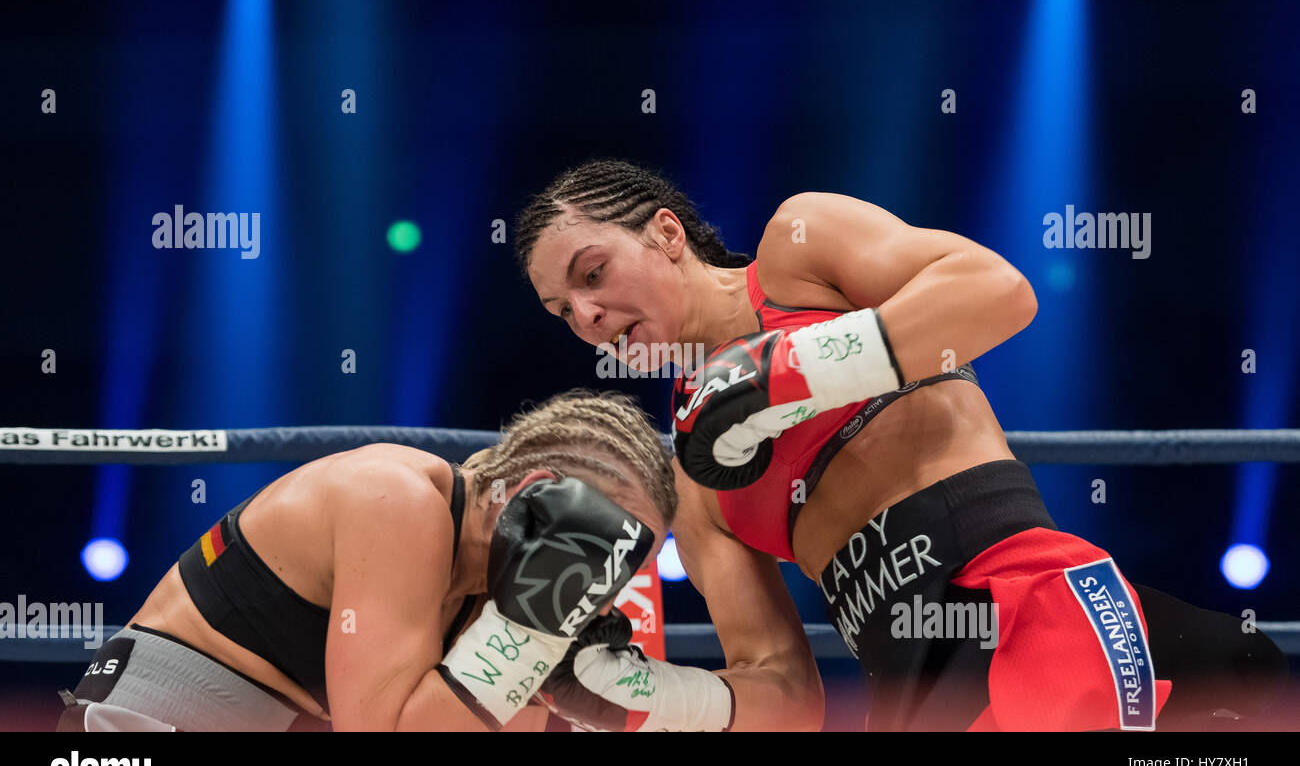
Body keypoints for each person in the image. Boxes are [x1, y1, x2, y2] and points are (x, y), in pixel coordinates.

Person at [516, 159, 1287, 731]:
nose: (585, 315)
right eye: (559, 310)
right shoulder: (696, 478)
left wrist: (783, 371)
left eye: (593, 272)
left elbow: (997, 291)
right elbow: (783, 690)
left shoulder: (798, 252)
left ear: (666, 232)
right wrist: (636, 695)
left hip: (1026, 604)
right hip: (909, 691)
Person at [56, 390, 675, 732]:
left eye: (626, 557)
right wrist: (528, 637)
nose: (606, 576)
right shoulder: (396, 499)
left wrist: (589, 696)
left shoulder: (501, 596)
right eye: (605, 540)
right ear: (536, 494)